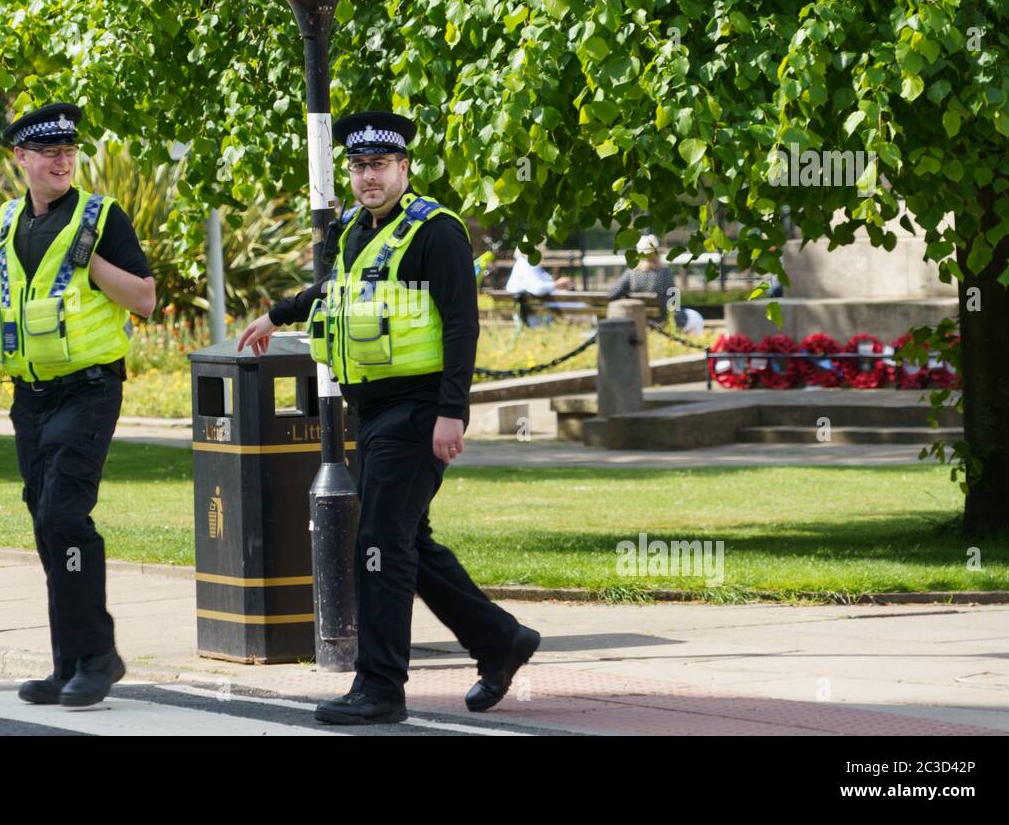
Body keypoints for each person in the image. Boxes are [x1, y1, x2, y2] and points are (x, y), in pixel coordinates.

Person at [237, 110, 541, 726]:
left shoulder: (437, 232)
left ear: (404, 167)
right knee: (404, 539)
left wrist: (452, 413)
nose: (367, 176)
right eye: (357, 166)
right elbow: (333, 289)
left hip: (420, 407)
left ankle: (381, 687)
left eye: (379, 165)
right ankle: (499, 640)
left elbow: (462, 324)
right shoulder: (354, 229)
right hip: (373, 408)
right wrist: (278, 313)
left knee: (378, 539)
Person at [0, 102, 156, 708]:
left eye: (68, 150)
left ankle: (97, 657)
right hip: (30, 397)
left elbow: (146, 300)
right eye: (47, 151)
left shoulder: (102, 217)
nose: (61, 159)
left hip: (90, 388)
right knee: (46, 525)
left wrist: (90, 260)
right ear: (20, 158)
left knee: (63, 517)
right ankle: (69, 662)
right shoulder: (3, 224)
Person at [607, 234, 704, 336]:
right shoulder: (664, 273)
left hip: (640, 321)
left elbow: (612, 293)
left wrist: (627, 296)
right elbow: (675, 302)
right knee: (696, 317)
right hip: (663, 321)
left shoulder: (631, 274)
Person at [505, 250, 574, 327]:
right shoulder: (526, 265)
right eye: (543, 249)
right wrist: (556, 284)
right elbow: (537, 289)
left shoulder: (525, 264)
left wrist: (556, 287)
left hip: (538, 313)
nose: (545, 252)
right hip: (536, 318)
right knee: (580, 307)